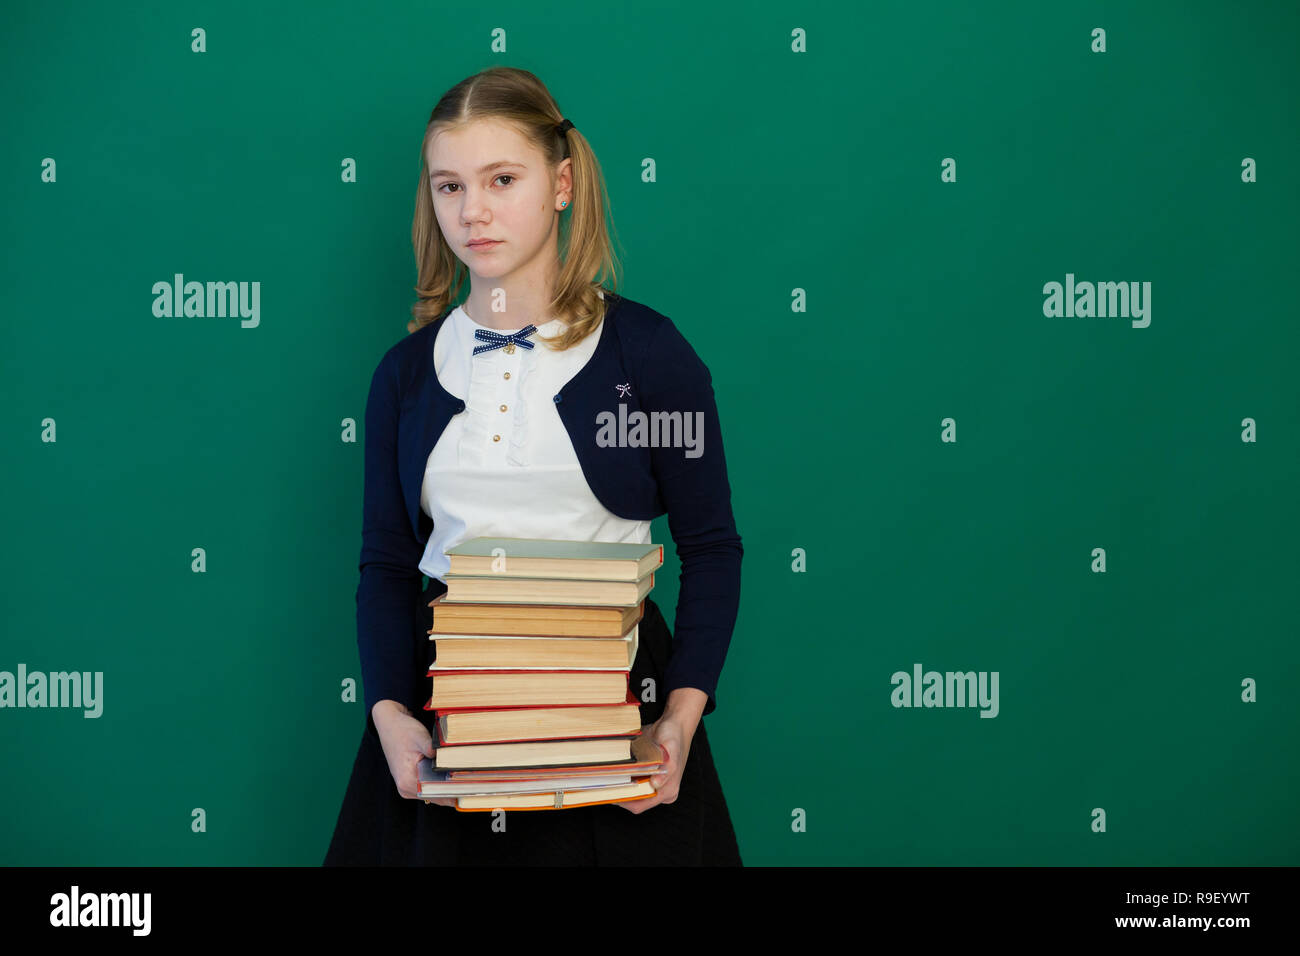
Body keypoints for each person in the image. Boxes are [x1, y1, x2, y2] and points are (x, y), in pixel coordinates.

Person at [324, 66, 744, 866]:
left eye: (501, 179)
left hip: (614, 705)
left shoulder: (652, 355)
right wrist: (389, 712)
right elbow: (384, 565)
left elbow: (713, 547)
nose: (472, 211)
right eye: (449, 186)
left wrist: (681, 716)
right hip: (448, 711)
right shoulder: (406, 375)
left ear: (561, 183)